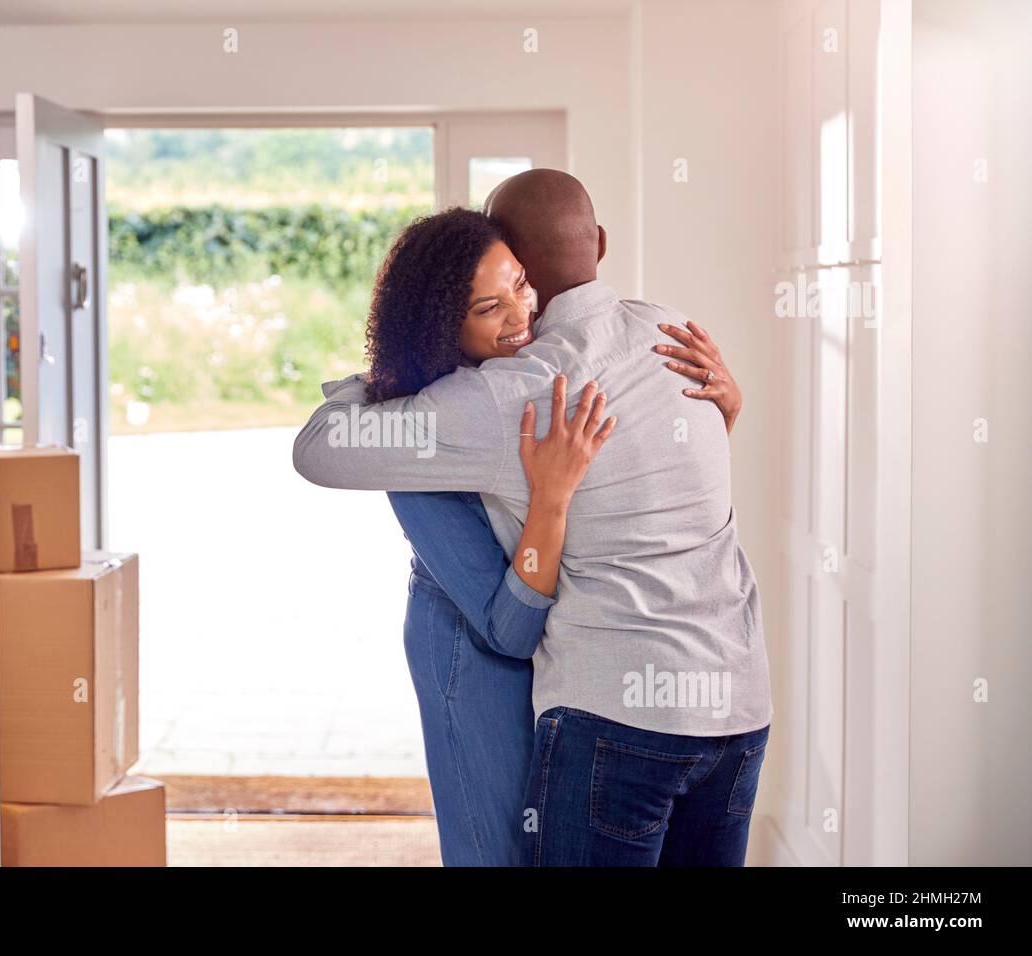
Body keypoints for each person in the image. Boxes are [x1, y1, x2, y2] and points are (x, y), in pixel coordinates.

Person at [297, 178, 766, 865]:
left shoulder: (506, 395)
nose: (516, 311)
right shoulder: (669, 329)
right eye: (490, 300)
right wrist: (726, 412)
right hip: (738, 707)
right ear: (599, 244)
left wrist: (380, 380)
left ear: (518, 258)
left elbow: (318, 450)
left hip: (620, 719)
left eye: (517, 284)